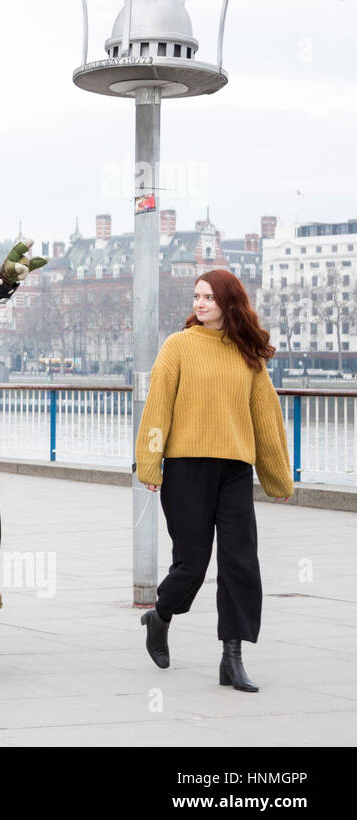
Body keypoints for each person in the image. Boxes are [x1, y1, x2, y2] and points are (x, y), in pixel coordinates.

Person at [134, 268, 292, 692]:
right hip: (186, 469)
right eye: (196, 296)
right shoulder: (178, 347)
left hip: (235, 471)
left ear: (228, 303)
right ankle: (160, 615)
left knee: (240, 562)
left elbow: (266, 418)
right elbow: (158, 408)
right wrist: (149, 464)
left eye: (208, 297)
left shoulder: (248, 354)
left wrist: (278, 479)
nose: (199, 303)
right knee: (193, 562)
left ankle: (232, 657)